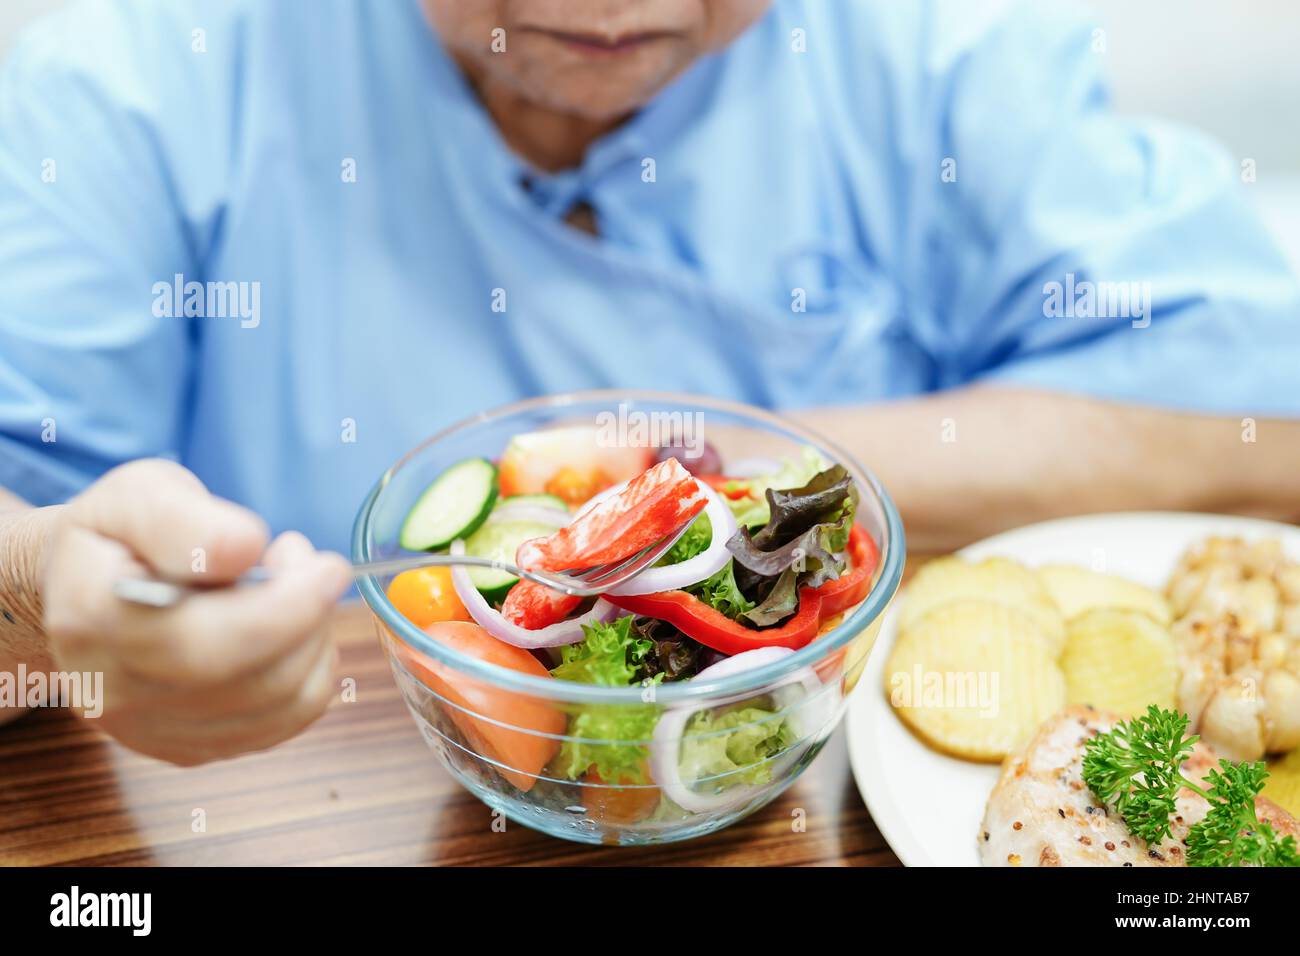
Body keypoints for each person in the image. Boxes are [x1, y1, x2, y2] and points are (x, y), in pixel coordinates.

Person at [1, 0, 1296, 763]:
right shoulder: (141, 73)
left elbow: (1260, 426)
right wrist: (51, 594)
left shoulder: (930, 51)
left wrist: (704, 505)